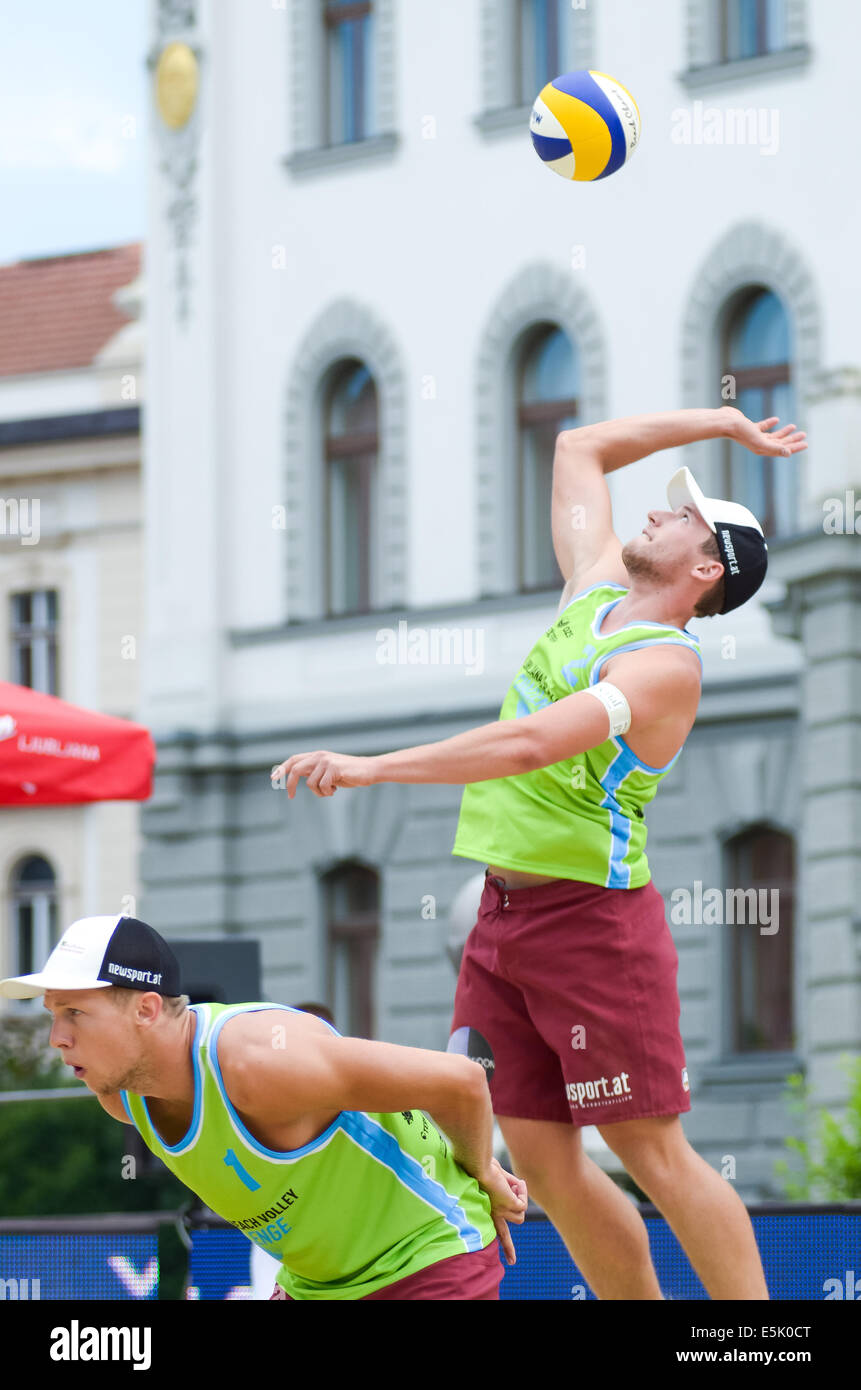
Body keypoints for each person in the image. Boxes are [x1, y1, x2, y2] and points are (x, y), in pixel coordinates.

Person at [271, 405, 808, 1300]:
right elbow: (579, 446)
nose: (652, 513)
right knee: (541, 1161)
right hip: (501, 916)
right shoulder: (593, 589)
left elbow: (523, 745)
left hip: (595, 927)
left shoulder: (665, 664)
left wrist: (371, 770)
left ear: (705, 568)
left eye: (678, 515)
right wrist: (719, 423)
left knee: (654, 1155)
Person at [0, 913, 526, 1301]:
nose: (56, 1038)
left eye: (73, 1012)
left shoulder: (258, 1062)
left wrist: (484, 1171)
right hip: (316, 1284)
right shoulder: (120, 1094)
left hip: (425, 1256)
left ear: (146, 1008)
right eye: (52, 1013)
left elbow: (461, 1080)